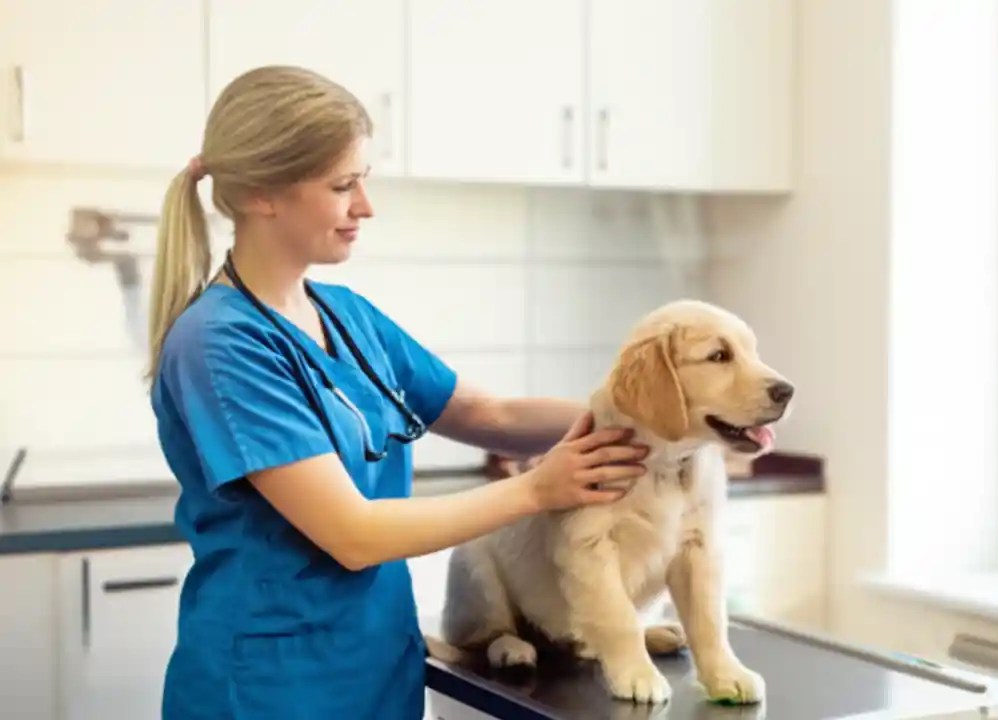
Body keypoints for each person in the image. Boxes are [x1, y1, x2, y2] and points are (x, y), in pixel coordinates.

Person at [146, 65, 648, 720]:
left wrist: (641, 423)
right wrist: (536, 490)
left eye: (364, 182)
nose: (365, 206)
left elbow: (488, 414)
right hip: (272, 688)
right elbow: (352, 533)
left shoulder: (347, 316)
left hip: (377, 667)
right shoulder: (220, 344)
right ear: (265, 193)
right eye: (342, 185)